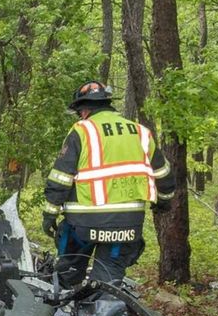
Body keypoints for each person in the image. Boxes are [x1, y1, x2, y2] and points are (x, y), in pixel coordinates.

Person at [42, 81, 176, 286]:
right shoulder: (140, 132)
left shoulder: (82, 130)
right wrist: (164, 201)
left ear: (83, 110)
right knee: (107, 282)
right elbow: (163, 174)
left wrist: (49, 214)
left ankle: (66, 311)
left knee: (68, 276)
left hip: (83, 224)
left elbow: (61, 177)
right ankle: (101, 312)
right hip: (126, 224)